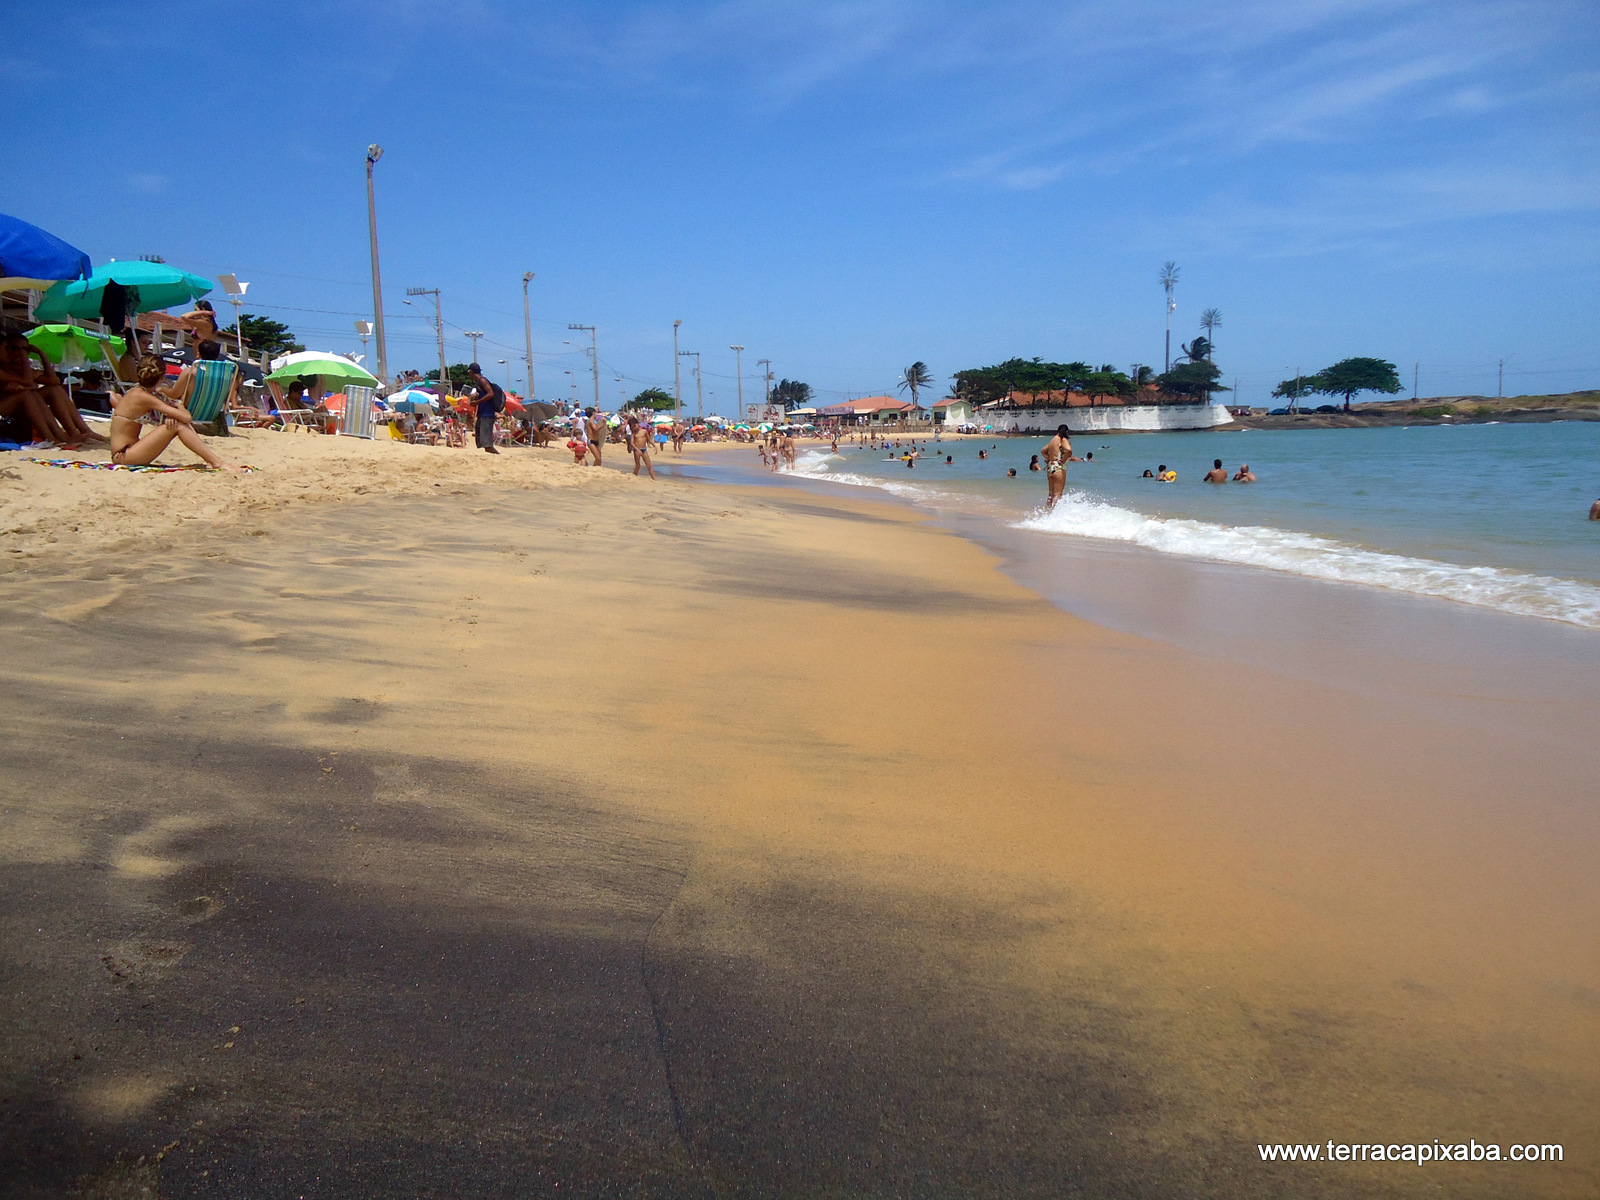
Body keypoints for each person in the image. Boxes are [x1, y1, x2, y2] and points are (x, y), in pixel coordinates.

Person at [109, 355, 236, 469]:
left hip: (128, 452)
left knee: (175, 423)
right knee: (179, 425)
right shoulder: (144, 397)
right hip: (124, 456)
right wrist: (177, 405)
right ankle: (217, 462)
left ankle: (214, 461)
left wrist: (169, 415)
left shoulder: (138, 392)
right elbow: (187, 417)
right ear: (162, 377)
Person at [0, 333, 107, 445]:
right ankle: (53, 438)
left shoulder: (16, 367)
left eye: (25, 349)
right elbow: (28, 381)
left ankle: (76, 431)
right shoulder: (6, 368)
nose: (19, 352)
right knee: (28, 394)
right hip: (6, 410)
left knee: (54, 390)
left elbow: (54, 381)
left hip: (21, 405)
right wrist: (25, 359)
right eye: (12, 348)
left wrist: (42, 354)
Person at [466, 363, 503, 454]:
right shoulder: (478, 383)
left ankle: (498, 456)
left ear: (471, 371)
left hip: (487, 414)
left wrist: (477, 402)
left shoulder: (482, 380)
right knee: (481, 443)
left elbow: (491, 393)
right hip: (482, 414)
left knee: (487, 444)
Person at [1041, 424, 1079, 510]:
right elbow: (1069, 450)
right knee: (1058, 494)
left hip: (1051, 467)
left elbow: (1043, 451)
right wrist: (1064, 460)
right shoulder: (1063, 439)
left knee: (1051, 494)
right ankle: (1055, 514)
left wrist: (1049, 459)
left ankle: (1047, 512)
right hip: (1059, 468)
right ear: (1067, 432)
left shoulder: (1053, 440)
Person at [627, 414, 656, 479]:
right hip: (637, 450)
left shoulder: (644, 431)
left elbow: (649, 440)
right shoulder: (634, 434)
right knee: (638, 465)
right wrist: (637, 449)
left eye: (635, 426)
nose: (634, 428)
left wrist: (655, 446)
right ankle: (634, 477)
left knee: (649, 466)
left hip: (644, 449)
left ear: (638, 424)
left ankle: (654, 479)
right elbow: (632, 443)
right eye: (632, 427)